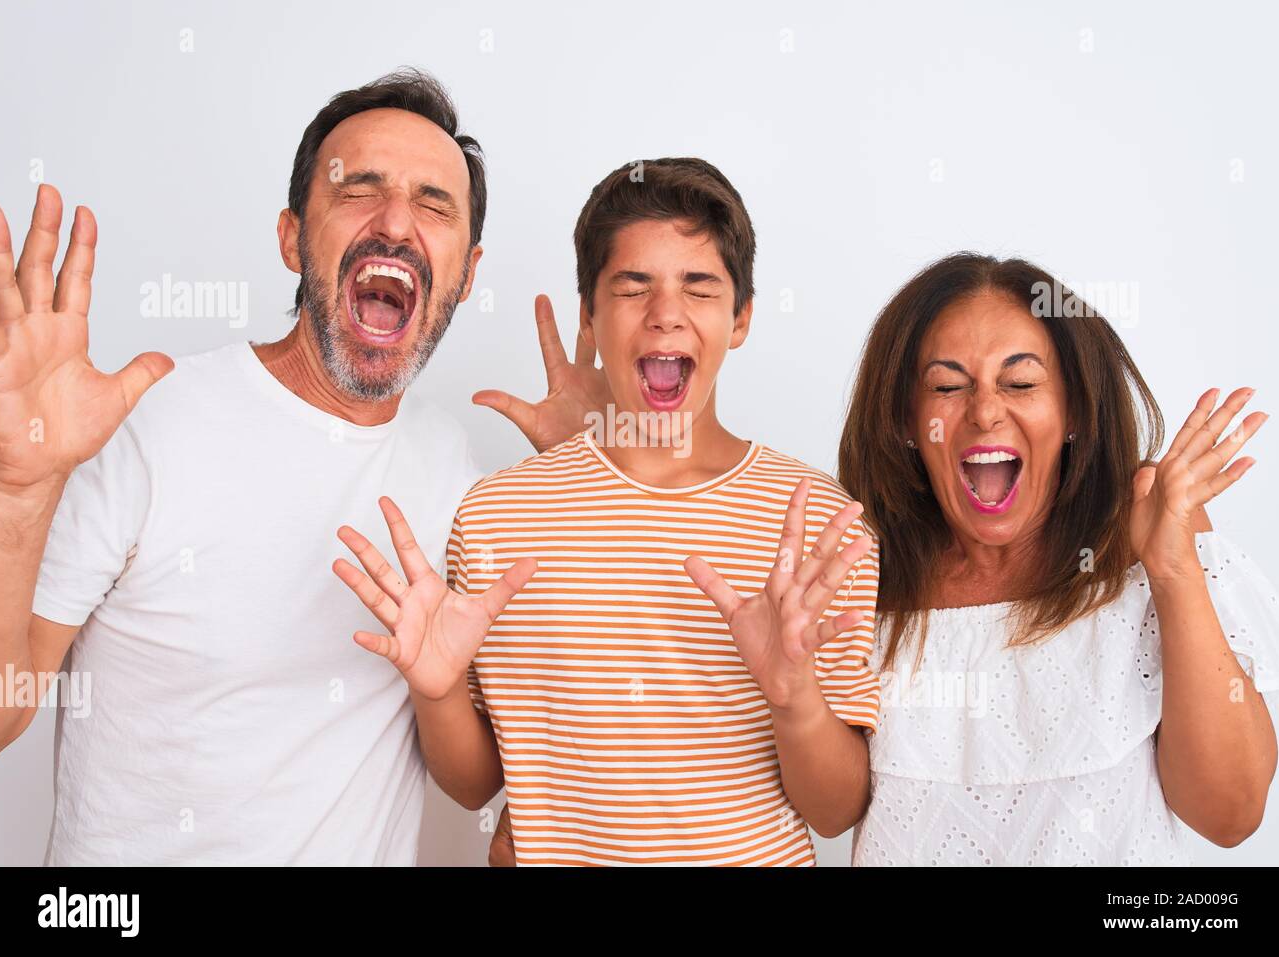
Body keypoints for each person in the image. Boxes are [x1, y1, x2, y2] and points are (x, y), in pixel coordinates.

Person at [0, 69, 599, 864]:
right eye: (359, 189)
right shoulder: (150, 423)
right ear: (291, 237)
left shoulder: (453, 469)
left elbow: (478, 784)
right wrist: (16, 492)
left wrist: (596, 477)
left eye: (433, 204)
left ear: (468, 272)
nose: (395, 223)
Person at [333, 157, 882, 865]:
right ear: (589, 314)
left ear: (740, 316)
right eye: (632, 286)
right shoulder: (499, 516)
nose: (665, 313)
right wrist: (435, 690)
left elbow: (836, 812)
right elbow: (476, 786)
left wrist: (794, 694)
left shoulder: (816, 523)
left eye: (699, 285)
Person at [838, 253, 1279, 865]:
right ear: (906, 422)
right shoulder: (857, 568)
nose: (986, 411)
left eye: (1021, 383)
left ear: (1074, 412)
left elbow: (1229, 815)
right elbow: (829, 808)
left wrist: (1174, 569)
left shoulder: (1146, 533)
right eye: (946, 386)